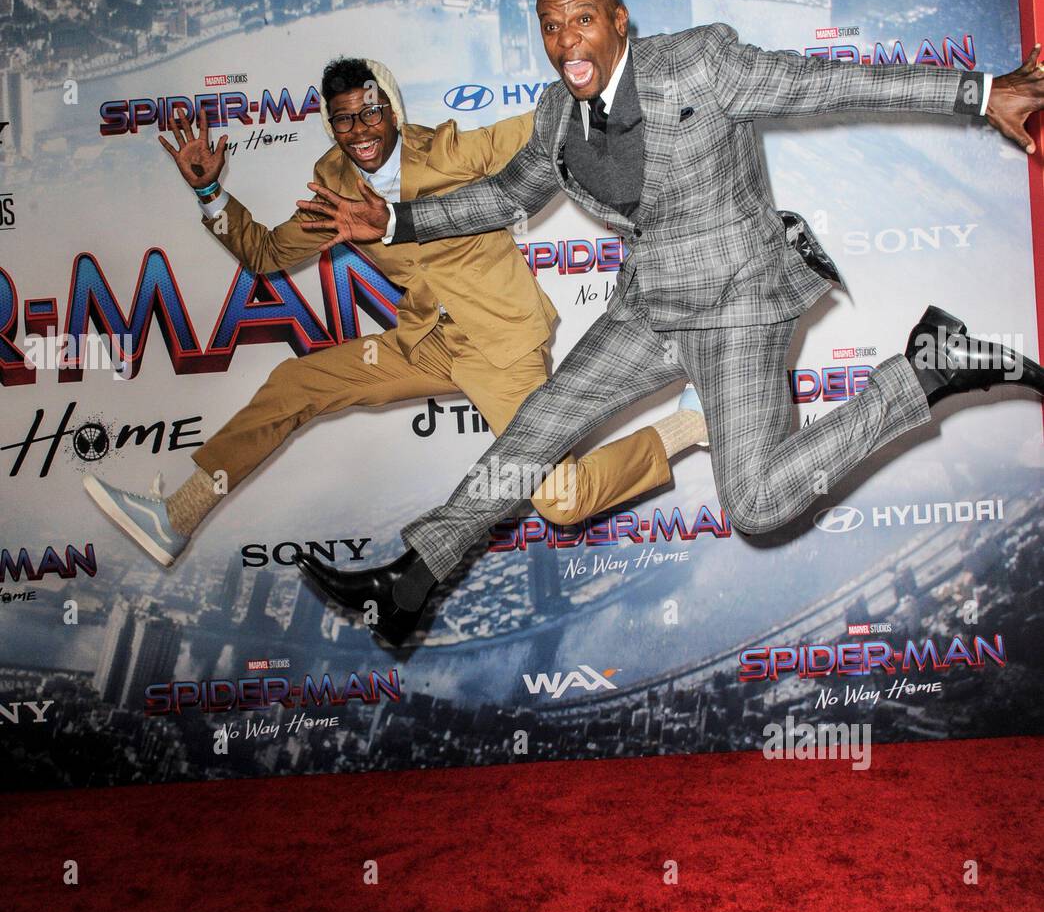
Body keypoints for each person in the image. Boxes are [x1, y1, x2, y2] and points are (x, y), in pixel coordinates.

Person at [292, 0, 1044, 648]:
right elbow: (503, 196)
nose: (565, 41)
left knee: (753, 503)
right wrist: (394, 222)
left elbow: (829, 84)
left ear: (621, 21)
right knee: (537, 425)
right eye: (550, 26)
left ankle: (924, 373)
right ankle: (411, 581)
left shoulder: (699, 64)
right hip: (648, 306)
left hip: (738, 299)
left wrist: (979, 94)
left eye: (581, 19)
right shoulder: (555, 114)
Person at [82, 56, 711, 567]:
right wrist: (209, 192)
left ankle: (687, 428)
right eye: (344, 121)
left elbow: (543, 126)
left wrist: (628, 96)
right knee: (294, 381)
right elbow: (267, 255)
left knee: (560, 500)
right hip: (426, 341)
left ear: (389, 109)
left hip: (500, 345)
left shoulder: (446, 153)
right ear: (331, 126)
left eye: (369, 113)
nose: (359, 132)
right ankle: (177, 518)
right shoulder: (333, 185)